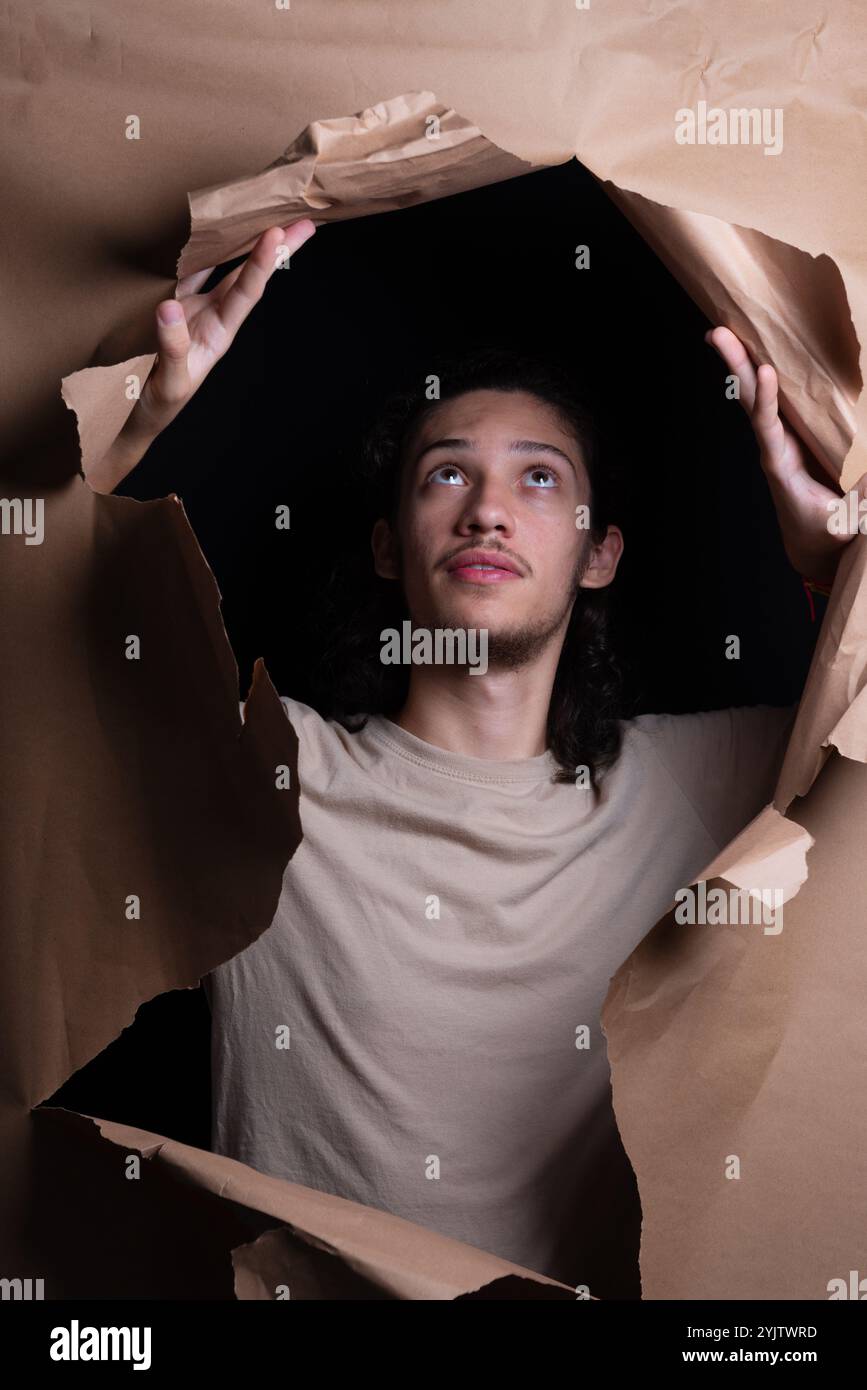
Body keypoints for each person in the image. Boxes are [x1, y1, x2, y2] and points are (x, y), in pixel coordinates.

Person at [96, 221, 860, 1297]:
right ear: (385, 547)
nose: (488, 509)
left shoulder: (694, 784)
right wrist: (124, 438)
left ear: (601, 555)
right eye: (444, 475)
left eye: (539, 480)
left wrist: (836, 565)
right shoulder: (272, 774)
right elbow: (36, 678)